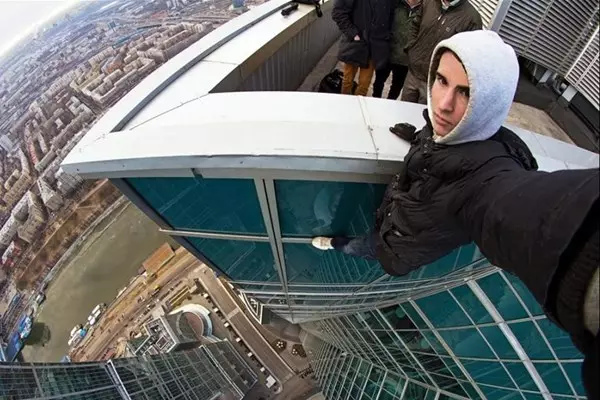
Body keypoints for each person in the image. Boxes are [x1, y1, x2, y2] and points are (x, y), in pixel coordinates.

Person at [311, 30, 599, 397]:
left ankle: (336, 243)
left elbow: (524, 210)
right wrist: (420, 136)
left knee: (358, 247)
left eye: (465, 93)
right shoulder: (447, 129)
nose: (443, 103)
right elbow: (444, 139)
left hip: (396, 252)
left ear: (490, 105)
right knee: (372, 230)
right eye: (442, 81)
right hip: (395, 217)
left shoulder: (487, 179)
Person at [400, 0, 481, 104]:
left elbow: (468, 56)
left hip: (436, 82)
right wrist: (411, 49)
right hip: (413, 74)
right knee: (404, 109)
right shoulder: (428, 2)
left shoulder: (472, 18)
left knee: (424, 116)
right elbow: (414, 25)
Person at [332, 0, 395, 96]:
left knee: (364, 85)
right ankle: (345, 106)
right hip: (355, 44)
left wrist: (386, 36)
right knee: (347, 81)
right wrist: (353, 34)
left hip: (374, 46)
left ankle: (358, 108)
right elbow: (338, 13)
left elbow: (391, 16)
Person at [372, 0, 422, 99]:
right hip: (387, 52)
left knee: (397, 87)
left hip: (405, 58)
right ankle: (375, 101)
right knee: (378, 82)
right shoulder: (396, 4)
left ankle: (390, 105)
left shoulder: (424, 9)